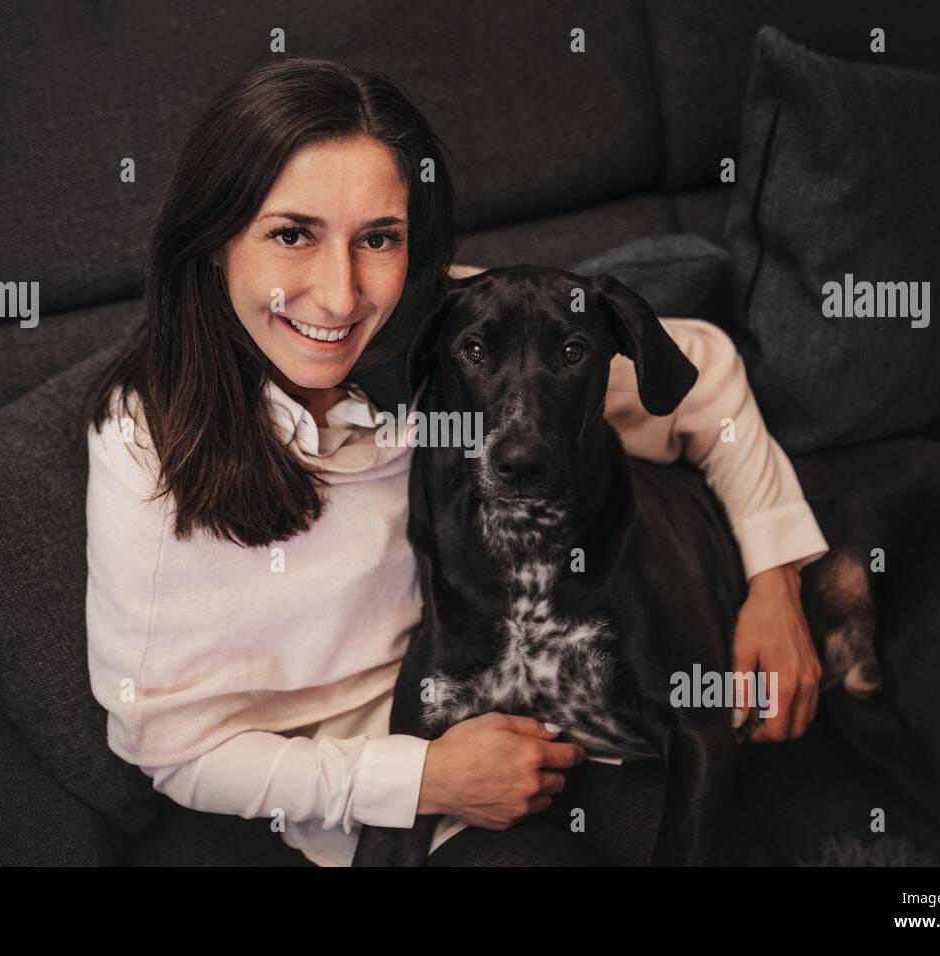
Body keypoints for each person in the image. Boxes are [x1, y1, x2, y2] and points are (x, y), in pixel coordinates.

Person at [80, 57, 828, 866]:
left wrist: (774, 578)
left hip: (520, 715)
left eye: (379, 238)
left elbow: (703, 370)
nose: (338, 295)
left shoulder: (448, 333)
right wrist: (421, 776)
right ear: (214, 239)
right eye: (291, 234)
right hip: (353, 791)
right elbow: (171, 750)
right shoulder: (144, 444)